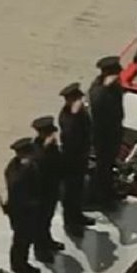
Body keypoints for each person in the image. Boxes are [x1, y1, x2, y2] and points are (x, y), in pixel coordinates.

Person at [58, 83, 96, 237]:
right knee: (71, 192)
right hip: (71, 160)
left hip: (81, 157)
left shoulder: (80, 113)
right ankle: (70, 222)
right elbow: (71, 138)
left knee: (78, 189)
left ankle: (78, 215)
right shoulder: (67, 117)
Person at [3, 138, 45, 273]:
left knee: (22, 238)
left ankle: (19, 263)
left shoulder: (15, 166)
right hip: (23, 213)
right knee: (22, 239)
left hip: (20, 210)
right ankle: (20, 265)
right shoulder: (23, 171)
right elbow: (22, 192)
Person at [88, 56, 125, 210]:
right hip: (103, 135)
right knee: (103, 166)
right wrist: (105, 88)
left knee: (109, 164)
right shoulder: (98, 90)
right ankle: (102, 197)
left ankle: (109, 191)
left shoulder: (114, 86)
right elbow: (97, 106)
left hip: (114, 131)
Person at [31, 115, 65, 255]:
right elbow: (40, 166)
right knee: (41, 221)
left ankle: (47, 240)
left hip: (51, 188)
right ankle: (41, 248)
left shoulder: (50, 146)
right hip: (42, 192)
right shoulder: (37, 149)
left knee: (47, 218)